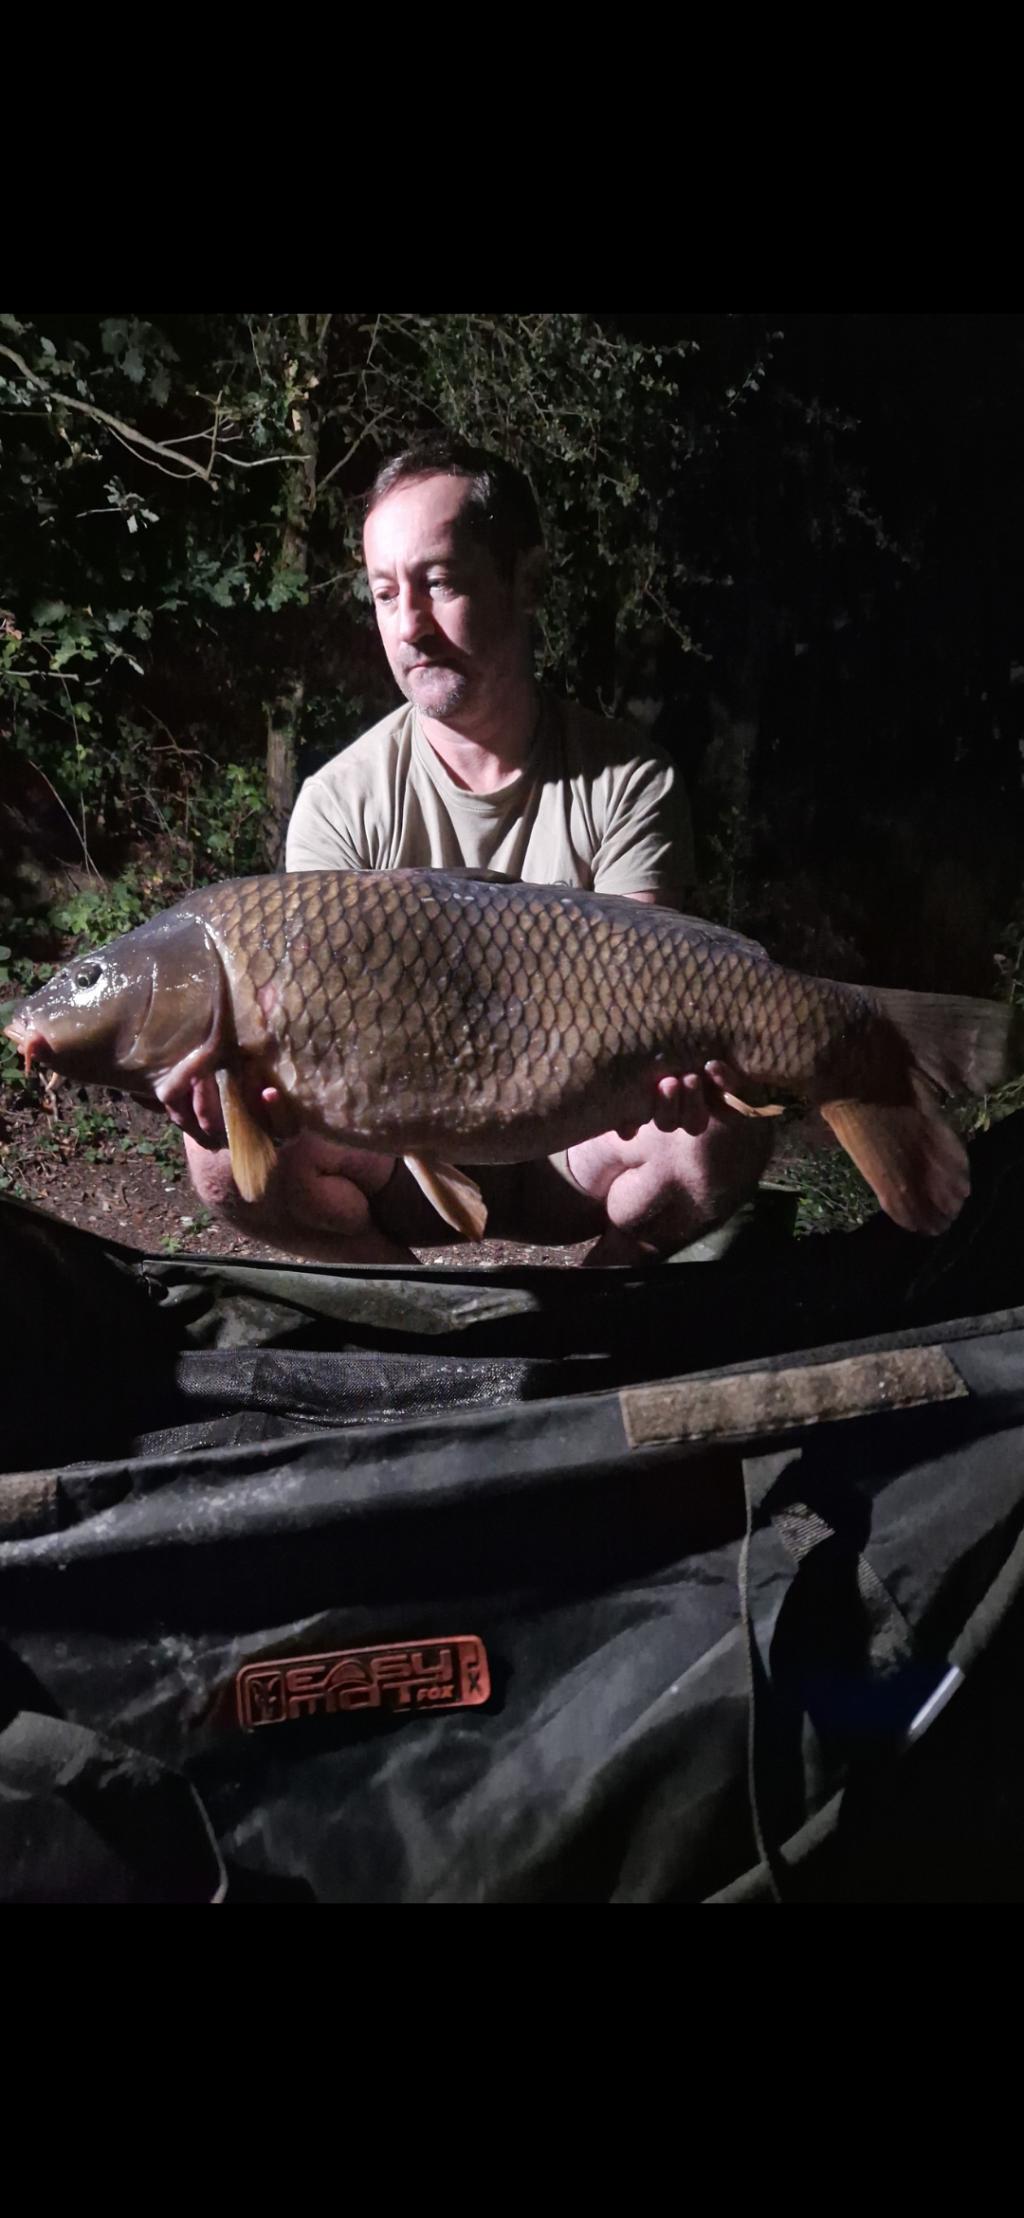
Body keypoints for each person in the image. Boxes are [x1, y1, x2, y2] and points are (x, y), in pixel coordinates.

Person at [184, 437, 773, 1264]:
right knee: (222, 1159)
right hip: (400, 1159)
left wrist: (676, 1071)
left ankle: (595, 1321)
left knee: (713, 1135)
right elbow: (302, 1049)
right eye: (386, 595)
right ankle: (412, 1328)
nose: (410, 626)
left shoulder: (626, 778)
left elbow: (648, 1010)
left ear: (525, 583)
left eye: (441, 583)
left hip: (577, 1146)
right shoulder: (339, 801)